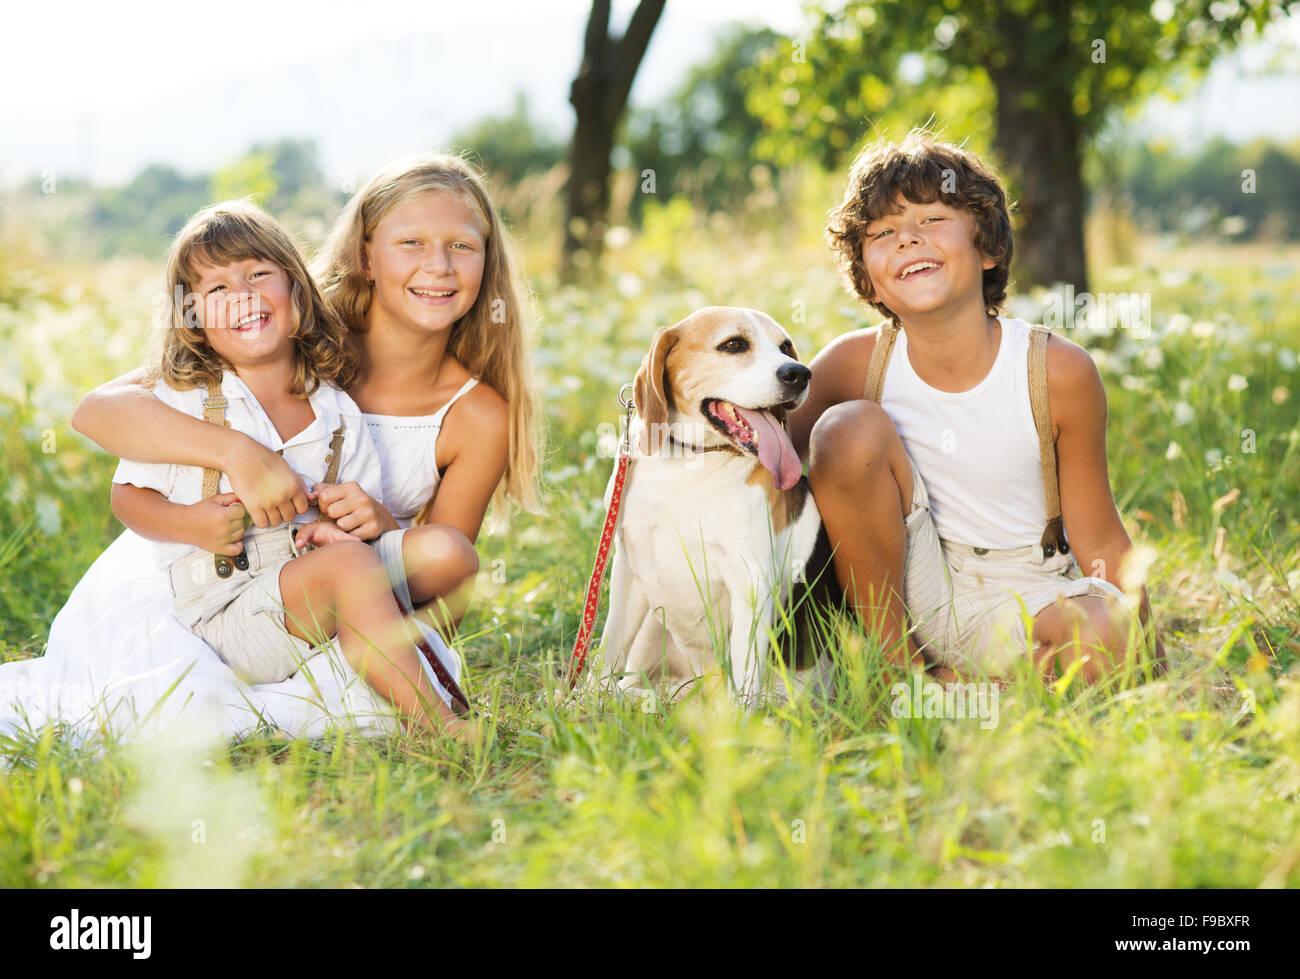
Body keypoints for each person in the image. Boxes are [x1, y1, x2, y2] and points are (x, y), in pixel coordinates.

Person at [2, 154, 541, 745]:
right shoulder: (296, 334)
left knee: (449, 553)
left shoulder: (465, 413)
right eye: (410, 241)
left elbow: (444, 590)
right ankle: (421, 713)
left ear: (486, 260)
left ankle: (375, 673)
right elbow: (98, 411)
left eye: (462, 246)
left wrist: (371, 525)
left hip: (334, 574)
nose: (436, 266)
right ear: (367, 254)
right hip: (213, 572)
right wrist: (239, 452)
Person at [787, 130, 1163, 684]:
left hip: (1032, 588)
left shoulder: (1055, 371)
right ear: (868, 279)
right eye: (884, 233)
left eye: (931, 220)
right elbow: (767, 454)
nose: (908, 241)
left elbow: (1102, 538)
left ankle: (981, 685)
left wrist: (1149, 658)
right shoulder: (852, 364)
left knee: (1106, 633)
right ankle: (905, 680)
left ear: (987, 247)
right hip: (913, 589)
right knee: (846, 429)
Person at [110, 199, 465, 738]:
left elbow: (365, 526)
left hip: (307, 582)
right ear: (194, 319)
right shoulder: (185, 401)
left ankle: (374, 646)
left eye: (258, 275)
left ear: (296, 294)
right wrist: (192, 526)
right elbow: (127, 497)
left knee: (448, 551)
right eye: (217, 289)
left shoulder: (335, 409)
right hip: (228, 610)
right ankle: (438, 723)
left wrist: (355, 518)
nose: (243, 296)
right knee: (351, 569)